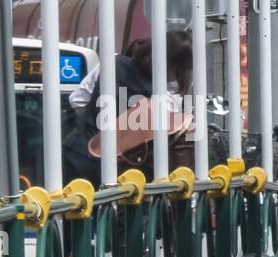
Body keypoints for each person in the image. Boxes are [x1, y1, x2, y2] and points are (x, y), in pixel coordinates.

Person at [63, 31, 193, 185]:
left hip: (77, 152)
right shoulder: (161, 99)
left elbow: (76, 100)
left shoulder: (112, 63)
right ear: (173, 64)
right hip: (120, 169)